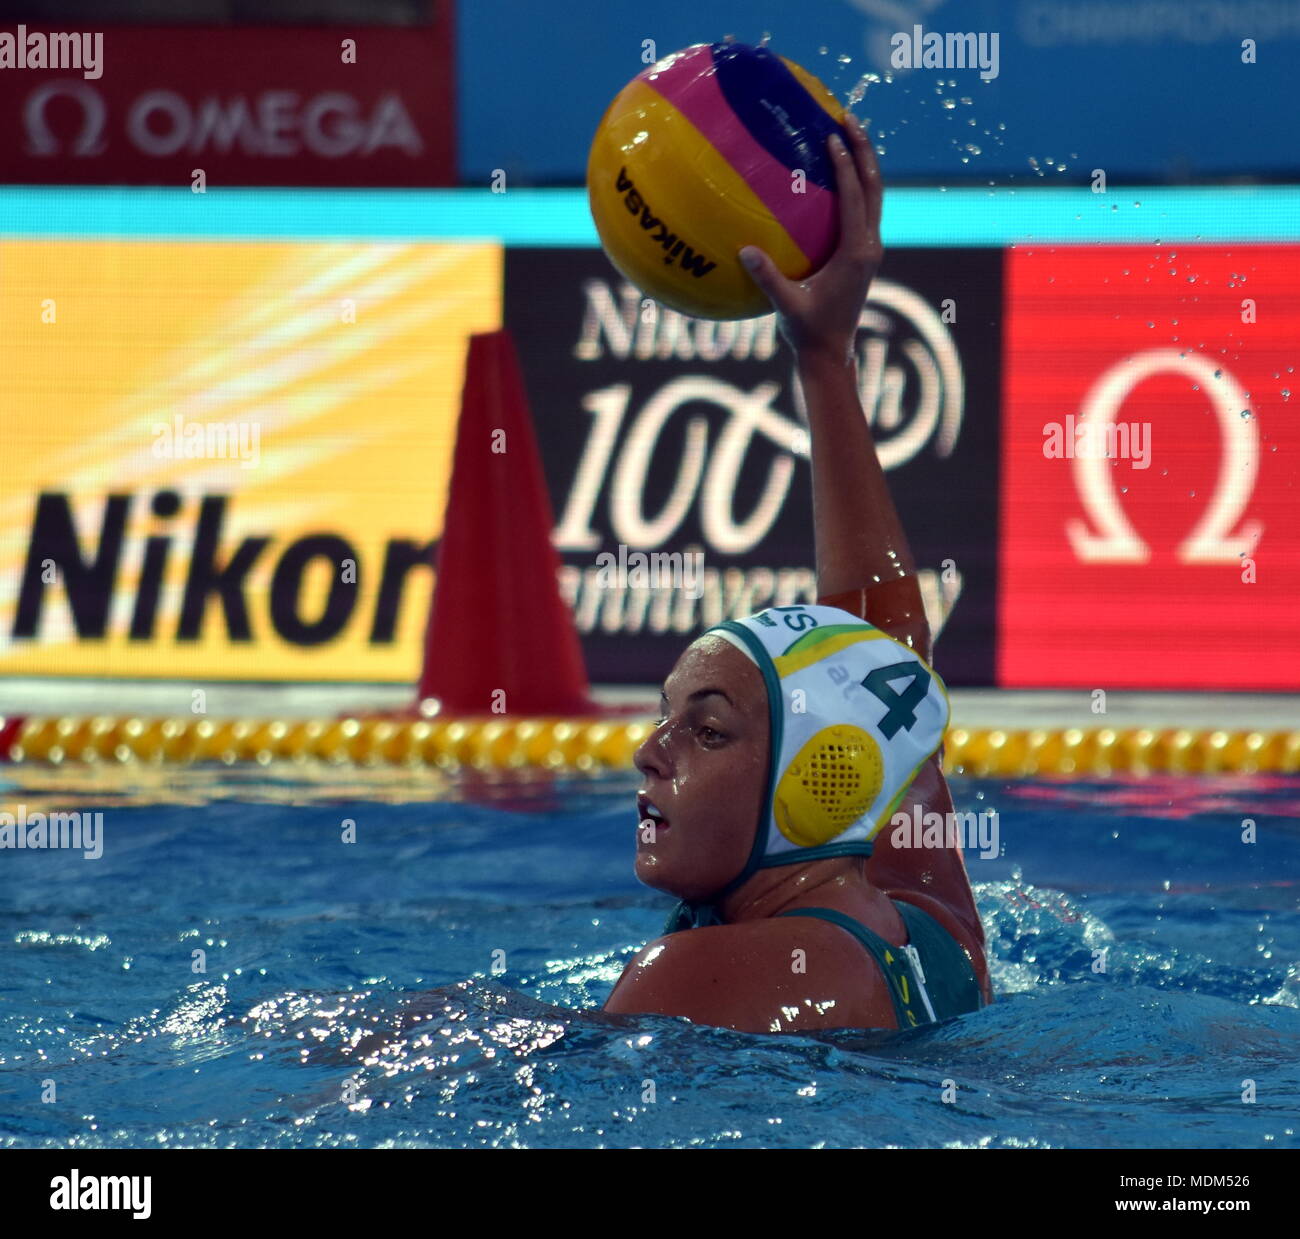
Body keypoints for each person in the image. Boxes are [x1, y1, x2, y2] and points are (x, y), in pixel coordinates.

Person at [603, 114, 992, 1034]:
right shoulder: (931, 927)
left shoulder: (689, 976)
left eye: (706, 731)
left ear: (809, 785)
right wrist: (824, 353)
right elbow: (890, 666)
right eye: (671, 718)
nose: (648, 751)